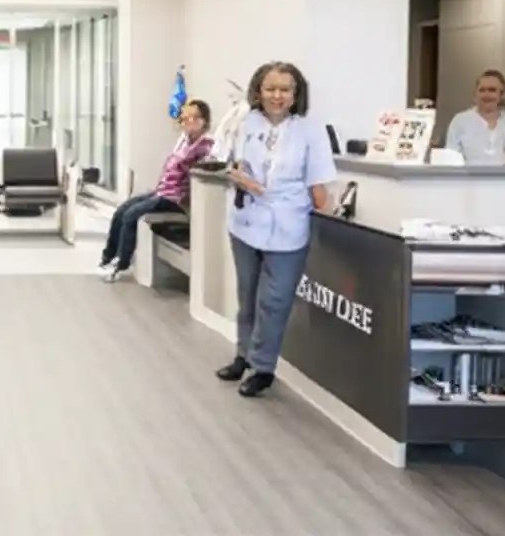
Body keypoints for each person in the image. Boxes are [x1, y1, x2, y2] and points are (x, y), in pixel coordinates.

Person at [216, 62, 336, 397]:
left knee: (276, 299)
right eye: (270, 88)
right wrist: (238, 177)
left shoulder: (311, 130)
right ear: (258, 90)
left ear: (296, 94)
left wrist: (321, 204)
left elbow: (319, 188)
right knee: (248, 296)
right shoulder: (244, 122)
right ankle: (243, 355)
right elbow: (227, 160)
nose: (277, 96)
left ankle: (263, 368)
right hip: (245, 221)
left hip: (288, 223)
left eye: (285, 89)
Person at [99, 100, 214, 282]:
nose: (185, 123)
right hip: (163, 192)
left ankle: (121, 264)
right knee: (122, 210)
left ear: (203, 121)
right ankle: (108, 256)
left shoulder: (205, 147)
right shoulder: (183, 142)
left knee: (131, 215)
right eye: (183, 119)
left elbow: (197, 175)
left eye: (190, 118)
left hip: (176, 199)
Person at [444, 69, 505, 166]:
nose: (486, 95)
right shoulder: (460, 121)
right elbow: (450, 160)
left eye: (492, 90)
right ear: (476, 93)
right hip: (467, 180)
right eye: (482, 90)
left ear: (502, 94)